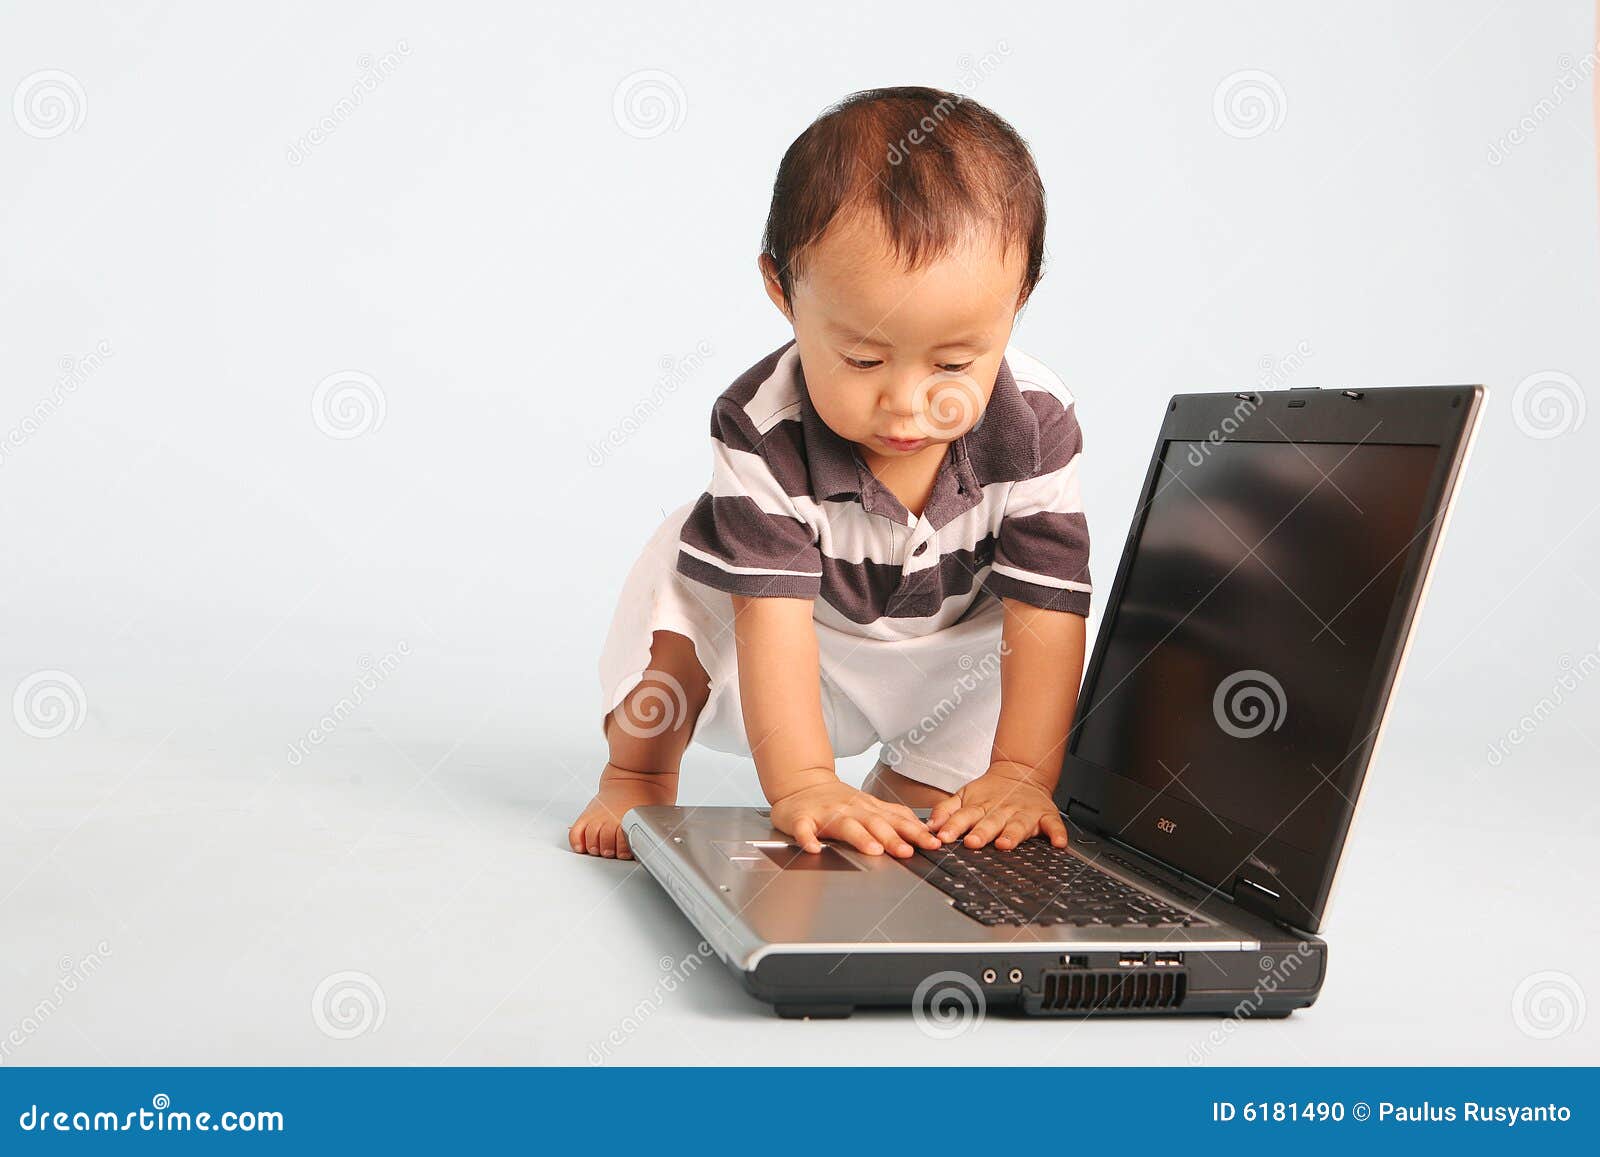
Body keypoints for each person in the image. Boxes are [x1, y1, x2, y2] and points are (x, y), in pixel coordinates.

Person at [569, 87, 1091, 862]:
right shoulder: (762, 428)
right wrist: (804, 780)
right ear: (783, 291)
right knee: (684, 577)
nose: (907, 405)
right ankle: (638, 768)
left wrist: (1021, 772)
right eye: (863, 359)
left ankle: (910, 791)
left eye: (953, 362)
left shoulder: (1037, 424)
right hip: (787, 636)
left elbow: (1048, 612)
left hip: (935, 647)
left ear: (1018, 301)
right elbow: (773, 625)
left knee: (1002, 664)